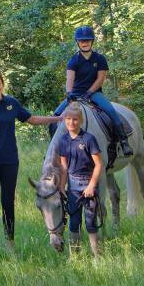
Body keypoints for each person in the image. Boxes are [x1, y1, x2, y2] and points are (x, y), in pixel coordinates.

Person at [0, 69, 61, 248]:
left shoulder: (11, 103)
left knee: (8, 201)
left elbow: (32, 119)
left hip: (10, 160)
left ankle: (10, 241)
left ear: (2, 84)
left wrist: (58, 118)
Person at [53, 25, 132, 158]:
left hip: (94, 93)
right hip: (76, 94)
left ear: (92, 41)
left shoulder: (100, 59)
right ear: (78, 42)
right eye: (82, 41)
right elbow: (69, 78)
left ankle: (124, 142)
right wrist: (69, 93)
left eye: (88, 40)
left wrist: (89, 93)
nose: (85, 43)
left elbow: (100, 79)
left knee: (112, 112)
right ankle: (54, 150)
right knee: (55, 116)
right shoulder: (74, 60)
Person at [54, 103, 105, 256]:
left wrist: (91, 186)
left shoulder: (89, 139)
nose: (71, 122)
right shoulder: (63, 141)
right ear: (64, 120)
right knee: (74, 223)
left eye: (75, 119)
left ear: (81, 121)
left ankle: (97, 257)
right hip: (73, 189)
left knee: (90, 223)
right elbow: (64, 167)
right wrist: (62, 187)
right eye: (68, 119)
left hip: (88, 188)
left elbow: (98, 164)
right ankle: (75, 257)